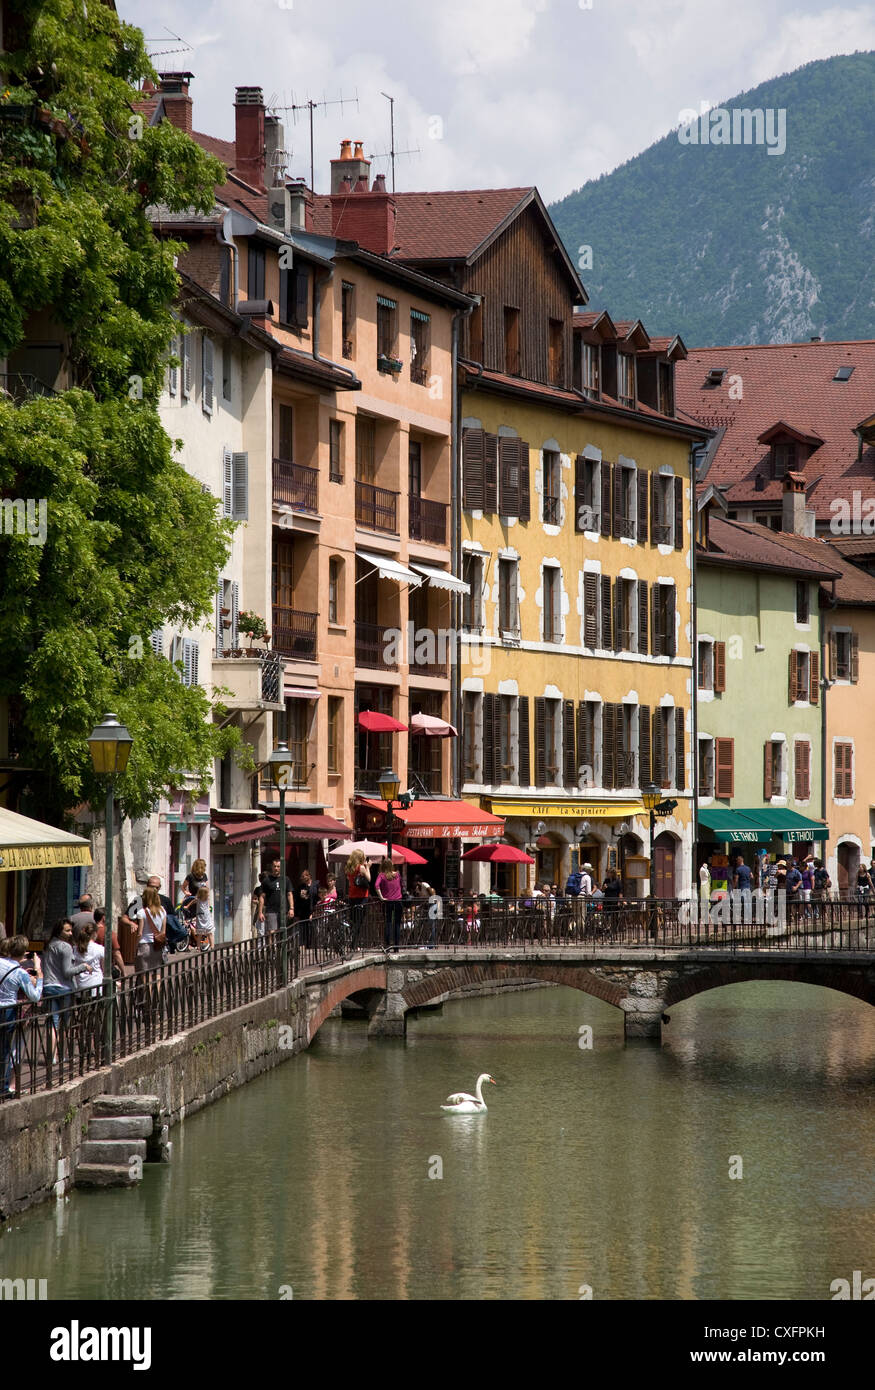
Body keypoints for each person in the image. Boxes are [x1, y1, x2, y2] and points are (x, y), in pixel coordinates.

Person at [0, 936, 42, 1096]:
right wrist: (39, 974)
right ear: (24, 952)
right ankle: (3, 1088)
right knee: (5, 1050)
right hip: (8, 1010)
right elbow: (35, 996)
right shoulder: (19, 973)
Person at [41, 918, 91, 1026]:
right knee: (64, 1023)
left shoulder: (48, 944)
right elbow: (67, 972)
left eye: (71, 930)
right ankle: (60, 1042)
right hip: (63, 988)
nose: (71, 933)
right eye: (67, 931)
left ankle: (52, 1042)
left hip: (48, 986)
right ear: (59, 931)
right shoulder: (65, 947)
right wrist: (83, 967)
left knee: (53, 1023)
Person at [134, 885, 167, 974]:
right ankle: (158, 988)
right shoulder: (163, 911)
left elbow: (140, 933)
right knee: (157, 973)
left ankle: (147, 988)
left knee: (144, 973)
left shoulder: (141, 912)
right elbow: (163, 931)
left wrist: (135, 946)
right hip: (158, 945)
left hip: (144, 944)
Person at [256, 857, 293, 935]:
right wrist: (260, 912)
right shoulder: (266, 880)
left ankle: (281, 947)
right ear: (272, 867)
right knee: (271, 932)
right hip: (271, 910)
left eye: (278, 866)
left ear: (281, 867)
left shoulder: (286, 879)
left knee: (282, 932)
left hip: (283, 910)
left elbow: (289, 894)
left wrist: (291, 908)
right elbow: (262, 897)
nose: (276, 868)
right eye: (275, 866)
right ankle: (272, 947)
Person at [374, 856, 403, 952]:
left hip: (388, 902)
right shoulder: (397, 875)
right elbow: (401, 886)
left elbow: (376, 885)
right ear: (392, 866)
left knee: (388, 923)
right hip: (398, 901)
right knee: (397, 924)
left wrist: (381, 897)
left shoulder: (382, 876)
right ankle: (396, 947)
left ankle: (387, 946)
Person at [346, 849, 371, 947]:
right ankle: (354, 944)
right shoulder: (361, 867)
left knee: (353, 920)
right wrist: (367, 867)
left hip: (352, 896)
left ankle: (353, 942)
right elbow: (369, 878)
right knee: (359, 921)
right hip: (361, 897)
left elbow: (349, 882)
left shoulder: (349, 868)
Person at [72, 922, 104, 997]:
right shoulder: (100, 949)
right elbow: (104, 969)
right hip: (96, 987)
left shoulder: (75, 949)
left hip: (79, 987)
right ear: (94, 934)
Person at [93, 908, 126, 976]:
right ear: (104, 918)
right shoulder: (109, 933)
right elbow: (117, 954)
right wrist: (123, 971)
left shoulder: (88, 931)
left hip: (91, 968)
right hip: (106, 968)